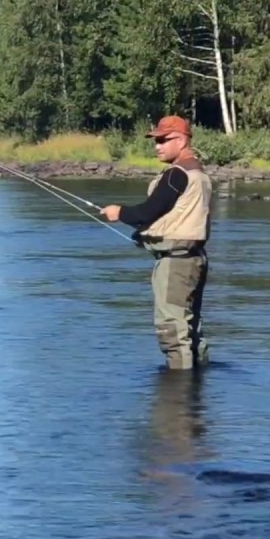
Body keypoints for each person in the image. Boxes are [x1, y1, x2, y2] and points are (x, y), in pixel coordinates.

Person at [102, 115, 212, 370]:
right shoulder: (197, 171)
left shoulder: (176, 174)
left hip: (176, 264)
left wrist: (118, 212)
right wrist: (145, 235)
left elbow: (147, 212)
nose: (157, 146)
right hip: (194, 259)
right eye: (156, 141)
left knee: (172, 331)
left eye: (163, 140)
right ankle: (198, 383)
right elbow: (173, 217)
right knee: (191, 328)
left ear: (181, 141)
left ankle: (179, 389)